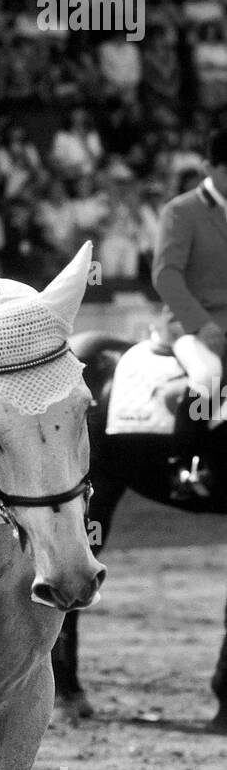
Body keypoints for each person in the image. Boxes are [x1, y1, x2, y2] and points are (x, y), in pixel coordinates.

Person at [151, 126, 227, 498]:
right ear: (208, 168)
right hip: (190, 323)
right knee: (209, 373)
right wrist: (201, 323)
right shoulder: (181, 211)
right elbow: (165, 276)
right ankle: (183, 466)